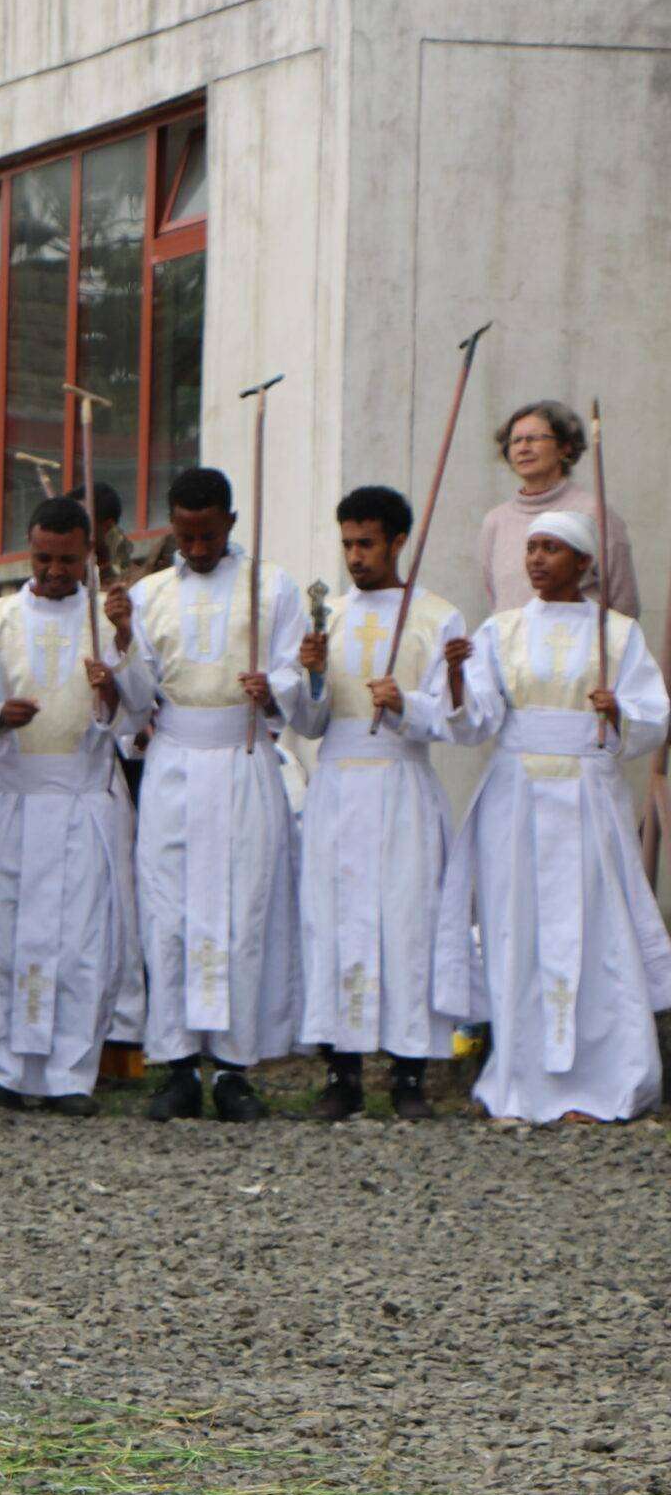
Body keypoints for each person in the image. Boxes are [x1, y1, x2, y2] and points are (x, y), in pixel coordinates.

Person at [435, 511, 670, 1124]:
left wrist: (617, 710)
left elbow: (653, 717)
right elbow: (477, 720)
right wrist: (457, 678)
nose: (536, 558)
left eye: (553, 548)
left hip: (588, 794)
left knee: (599, 932)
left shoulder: (616, 634)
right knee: (519, 929)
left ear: (586, 563)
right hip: (517, 798)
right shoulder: (502, 630)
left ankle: (608, 1080)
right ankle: (521, 1080)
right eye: (532, 547)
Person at [119, 466, 309, 1120]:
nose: (195, 550)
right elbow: (139, 697)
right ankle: (175, 1065)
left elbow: (295, 668)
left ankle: (232, 1067)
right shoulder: (148, 594)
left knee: (241, 909)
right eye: (184, 537)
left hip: (243, 756)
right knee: (167, 915)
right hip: (173, 762)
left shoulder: (272, 586)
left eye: (206, 536)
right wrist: (119, 644)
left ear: (230, 522)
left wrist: (275, 685)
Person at [0, 498, 139, 1115]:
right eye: (44, 557)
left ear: (88, 555)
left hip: (80, 799)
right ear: (29, 551)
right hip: (10, 795)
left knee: (80, 942)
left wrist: (115, 683)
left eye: (67, 559)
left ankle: (67, 1073)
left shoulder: (107, 624)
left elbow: (138, 716)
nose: (54, 570)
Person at [289, 486, 475, 1121]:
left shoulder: (436, 616)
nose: (355, 556)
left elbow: (456, 719)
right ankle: (341, 1074)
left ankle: (408, 1076)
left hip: (401, 786)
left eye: (367, 543)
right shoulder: (327, 616)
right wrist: (310, 675)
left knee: (406, 919)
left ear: (398, 542)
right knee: (332, 920)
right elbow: (310, 722)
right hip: (338, 783)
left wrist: (406, 704)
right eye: (347, 544)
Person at [475, 401, 638, 617]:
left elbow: (623, 604)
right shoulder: (495, 521)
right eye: (515, 441)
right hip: (514, 648)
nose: (523, 448)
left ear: (565, 447)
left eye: (533, 439)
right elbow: (496, 598)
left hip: (579, 646)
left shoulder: (593, 513)